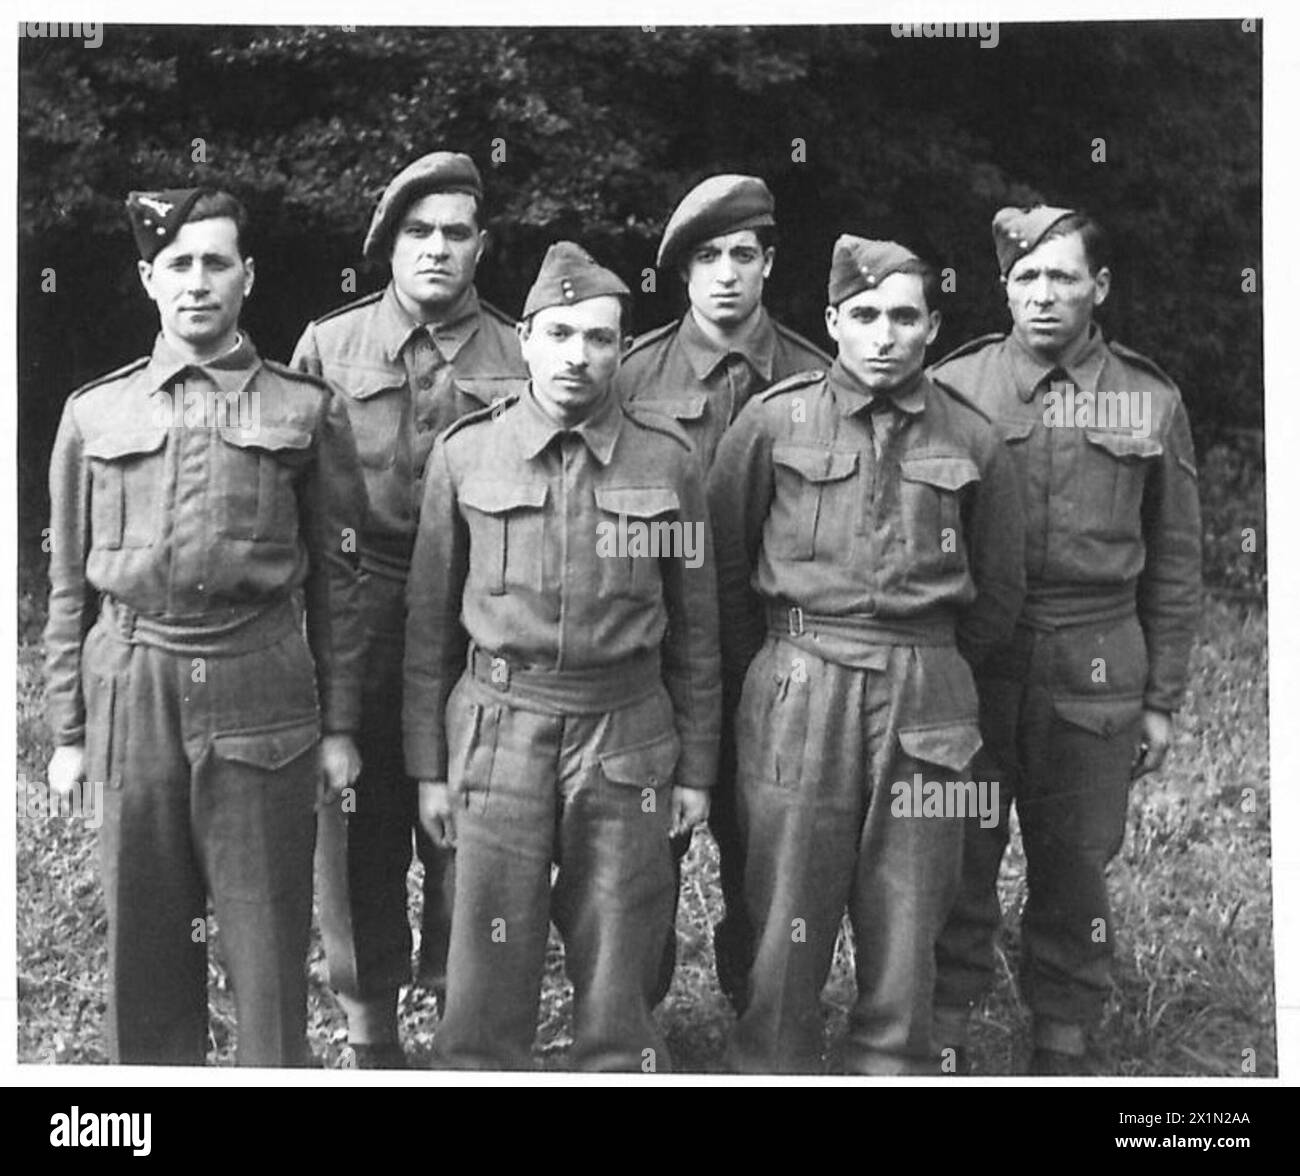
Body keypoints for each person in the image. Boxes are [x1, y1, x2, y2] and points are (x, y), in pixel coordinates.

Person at [43, 187, 365, 1066]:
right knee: (145, 932)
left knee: (265, 940)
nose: (196, 283)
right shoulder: (94, 415)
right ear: (148, 279)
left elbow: (339, 584)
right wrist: (68, 731)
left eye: (214, 263)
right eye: (177, 265)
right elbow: (67, 584)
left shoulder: (304, 411)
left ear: (247, 277)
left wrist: (338, 727)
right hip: (133, 681)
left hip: (257, 678)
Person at [709, 234, 1024, 1074]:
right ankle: (772, 1058)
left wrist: (932, 663)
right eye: (864, 316)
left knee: (914, 898)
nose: (883, 334)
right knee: (786, 897)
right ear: (832, 322)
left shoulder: (975, 438)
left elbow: (998, 593)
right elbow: (724, 569)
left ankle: (893, 1061)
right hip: (799, 684)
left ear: (932, 326)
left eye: (903, 317)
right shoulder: (774, 422)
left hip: (927, 690)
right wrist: (773, 674)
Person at [404, 242, 721, 1071]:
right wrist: (429, 768)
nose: (579, 355)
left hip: (625, 731)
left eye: (601, 338)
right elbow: (429, 631)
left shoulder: (669, 461)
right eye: (560, 334)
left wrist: (696, 770)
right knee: (485, 941)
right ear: (526, 341)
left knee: (620, 941)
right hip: (500, 727)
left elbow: (695, 630)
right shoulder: (467, 455)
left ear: (622, 349)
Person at [930, 205, 1202, 1075]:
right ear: (1003, 287)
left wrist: (1159, 700)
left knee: (1076, 855)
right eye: (1026, 279)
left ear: (1100, 286)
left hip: (1095, 661)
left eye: (1063, 277)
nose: (1043, 296)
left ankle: (1064, 1033)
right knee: (958, 848)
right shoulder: (955, 387)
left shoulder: (1148, 397)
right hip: (975, 660)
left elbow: (1177, 556)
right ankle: (944, 1023)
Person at [291, 151, 526, 1067]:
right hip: (359, 605)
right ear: (388, 246)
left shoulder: (522, 352)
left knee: (472, 813)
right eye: (417, 233)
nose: (436, 249)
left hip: (480, 615)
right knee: (356, 817)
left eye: (455, 233)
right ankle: (369, 1028)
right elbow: (302, 508)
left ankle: (461, 1007)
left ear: (481, 246)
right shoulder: (329, 347)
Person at [616, 173, 829, 1010]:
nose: (727, 274)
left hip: (777, 655)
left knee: (766, 850)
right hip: (656, 654)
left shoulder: (817, 378)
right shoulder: (631, 377)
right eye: (708, 257)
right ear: (683, 273)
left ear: (769, 263)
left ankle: (759, 1013)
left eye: (744, 254)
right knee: (641, 851)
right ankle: (633, 1021)